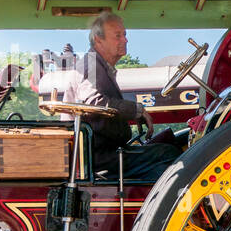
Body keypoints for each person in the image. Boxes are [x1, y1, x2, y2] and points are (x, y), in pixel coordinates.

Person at [68, 12, 181, 181]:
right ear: (99, 40)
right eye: (118, 36)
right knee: (167, 153)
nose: (125, 40)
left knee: (161, 157)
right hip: (99, 158)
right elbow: (93, 102)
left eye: (125, 34)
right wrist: (136, 110)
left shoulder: (96, 65)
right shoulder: (91, 64)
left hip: (99, 155)